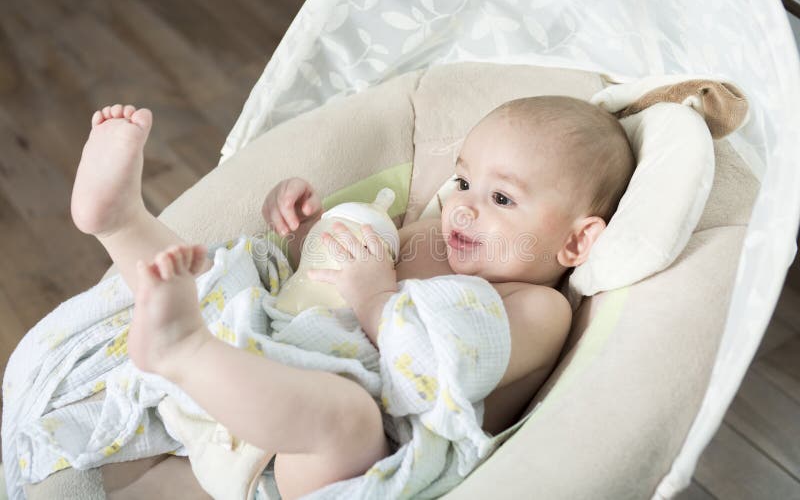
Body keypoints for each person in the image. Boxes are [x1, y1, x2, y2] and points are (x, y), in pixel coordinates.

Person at [70, 96, 634, 499]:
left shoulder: (539, 309)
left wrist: (376, 298)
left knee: (349, 417)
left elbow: (437, 372)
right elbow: (317, 278)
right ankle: (121, 224)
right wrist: (303, 228)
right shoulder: (426, 236)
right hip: (255, 371)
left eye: (503, 198)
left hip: (336, 462)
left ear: (576, 240)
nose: (464, 206)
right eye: (463, 183)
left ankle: (183, 349)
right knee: (223, 277)